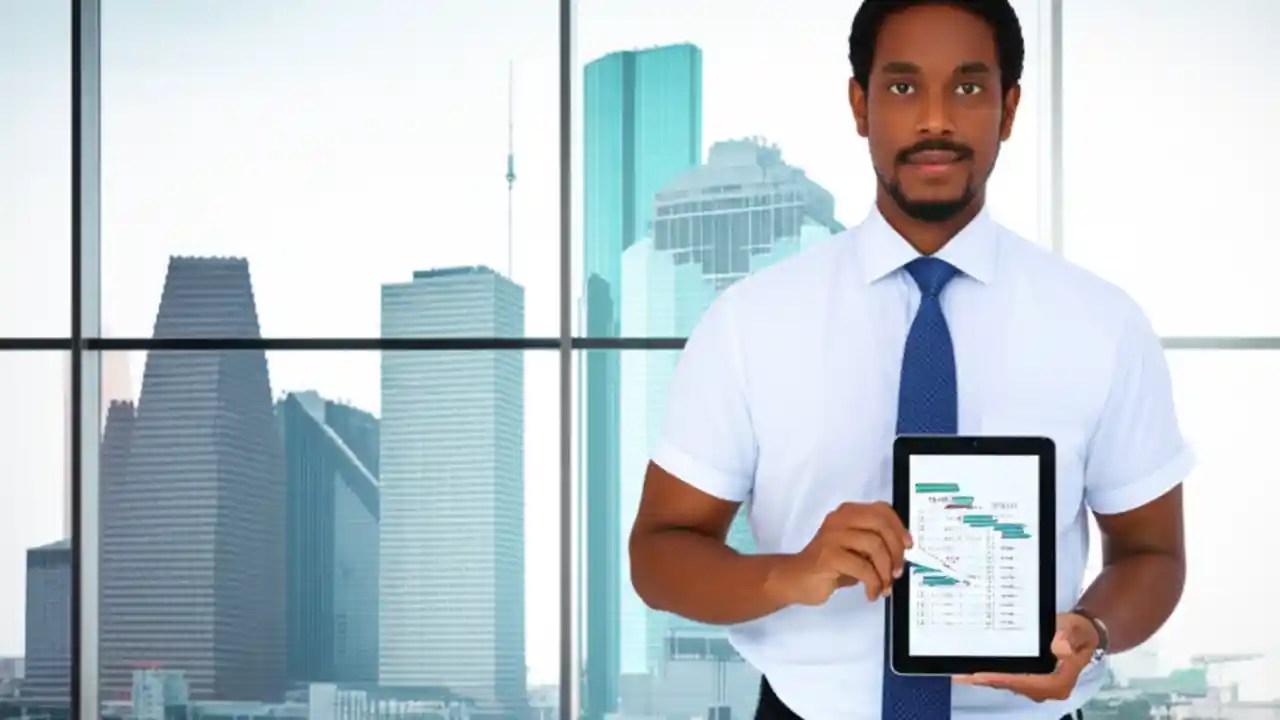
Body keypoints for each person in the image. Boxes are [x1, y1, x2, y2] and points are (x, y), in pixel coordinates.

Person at [627, 1, 1192, 718]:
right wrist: (789, 575)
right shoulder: (749, 322)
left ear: (1009, 108)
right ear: (859, 105)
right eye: (901, 87)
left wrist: (1095, 630)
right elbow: (659, 551)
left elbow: (1152, 553)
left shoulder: (1103, 324)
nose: (935, 119)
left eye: (968, 87)